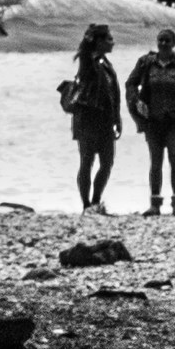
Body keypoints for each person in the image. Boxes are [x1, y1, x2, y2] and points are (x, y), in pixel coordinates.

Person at [126, 26, 175, 214]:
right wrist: (137, 102)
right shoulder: (146, 64)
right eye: (161, 40)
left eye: (167, 40)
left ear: (174, 43)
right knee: (155, 162)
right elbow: (130, 84)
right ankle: (155, 203)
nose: (164, 44)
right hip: (153, 121)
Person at [58, 23, 123, 212]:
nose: (113, 42)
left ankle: (95, 201)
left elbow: (113, 95)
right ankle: (87, 204)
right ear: (99, 42)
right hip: (87, 120)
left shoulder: (106, 63)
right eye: (109, 39)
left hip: (105, 120)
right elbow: (86, 54)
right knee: (87, 162)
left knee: (107, 163)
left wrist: (117, 119)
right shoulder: (88, 61)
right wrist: (90, 38)